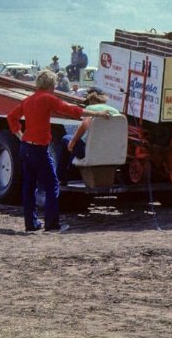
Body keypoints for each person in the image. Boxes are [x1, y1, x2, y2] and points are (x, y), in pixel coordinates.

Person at [6, 70, 111, 232]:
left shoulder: (28, 100)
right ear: (50, 85)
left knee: (29, 186)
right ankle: (52, 224)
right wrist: (98, 113)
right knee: (52, 184)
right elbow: (72, 110)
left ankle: (31, 224)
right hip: (39, 149)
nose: (55, 87)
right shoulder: (48, 98)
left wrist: (20, 135)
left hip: (26, 147)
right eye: (54, 84)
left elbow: (11, 117)